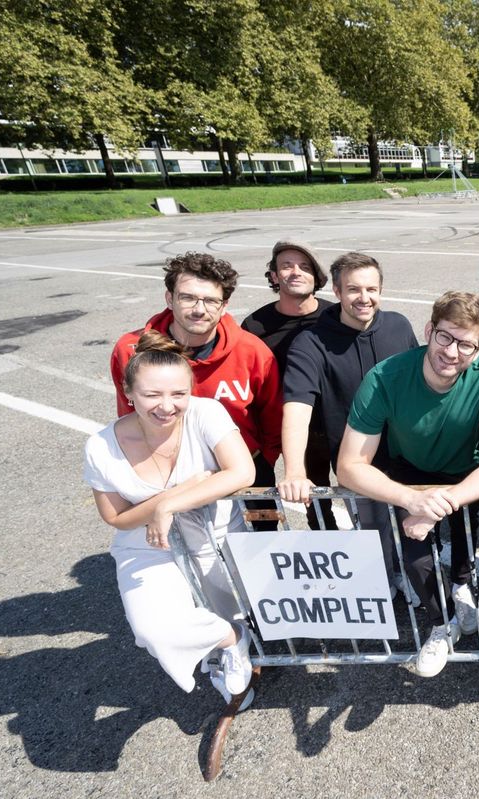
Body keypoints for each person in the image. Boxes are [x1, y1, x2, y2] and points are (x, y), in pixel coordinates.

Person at [335, 291, 479, 678]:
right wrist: (411, 501)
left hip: (464, 472)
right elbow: (350, 466)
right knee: (416, 558)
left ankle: (463, 584)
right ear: (429, 330)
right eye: (445, 337)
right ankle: (442, 624)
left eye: (466, 344)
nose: (453, 352)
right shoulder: (386, 377)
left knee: (465, 533)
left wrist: (445, 502)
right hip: (410, 472)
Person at [84, 331, 258, 707]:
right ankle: (229, 643)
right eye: (152, 395)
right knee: (153, 629)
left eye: (178, 394)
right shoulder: (100, 445)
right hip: (146, 546)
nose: (167, 406)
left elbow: (242, 472)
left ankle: (229, 642)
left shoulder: (206, 412)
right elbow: (116, 517)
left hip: (216, 537)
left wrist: (167, 507)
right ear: (128, 392)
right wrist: (171, 498)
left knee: (235, 609)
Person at [110, 253, 283, 530]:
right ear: (170, 298)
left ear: (224, 305)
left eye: (211, 300)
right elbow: (129, 413)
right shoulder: (130, 350)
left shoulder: (252, 352)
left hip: (245, 472)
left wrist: (264, 461)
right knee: (176, 556)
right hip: (171, 477)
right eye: (188, 297)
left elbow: (273, 415)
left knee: (263, 551)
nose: (199, 309)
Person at [279, 253, 418, 577]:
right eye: (354, 290)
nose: (364, 298)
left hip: (410, 458)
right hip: (358, 466)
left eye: (372, 289)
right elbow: (297, 409)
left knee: (417, 532)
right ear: (338, 292)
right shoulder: (311, 343)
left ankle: (420, 584)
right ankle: (385, 587)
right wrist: (295, 471)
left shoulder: (398, 326)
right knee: (374, 536)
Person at [241, 239, 335, 529]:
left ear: (317, 277)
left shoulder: (335, 317)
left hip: (325, 423)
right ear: (273, 276)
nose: (296, 272)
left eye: (305, 267)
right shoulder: (254, 326)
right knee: (259, 491)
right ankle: (266, 540)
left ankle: (329, 539)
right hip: (271, 424)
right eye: (287, 266)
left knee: (318, 495)